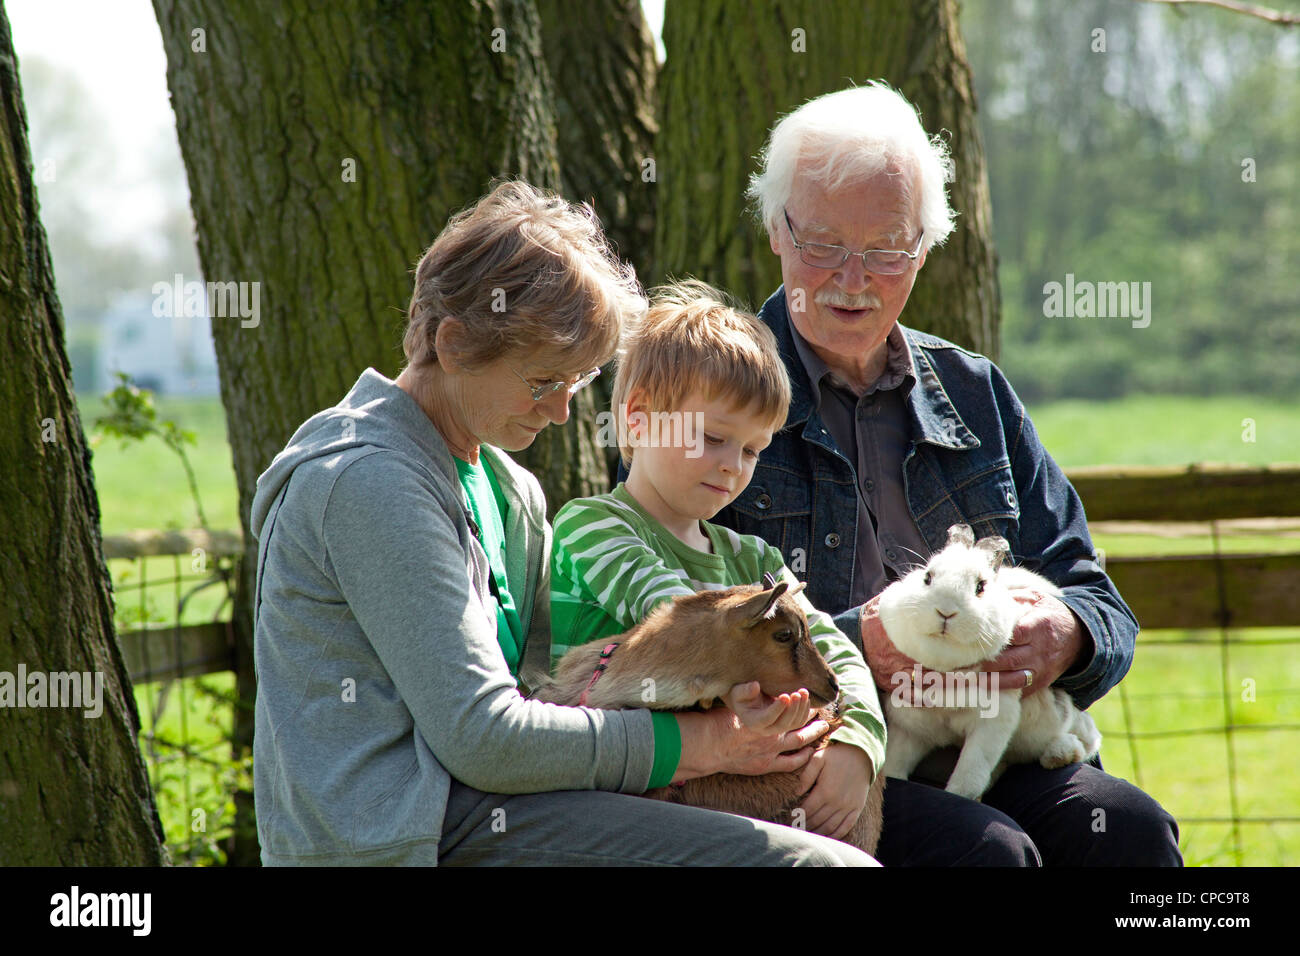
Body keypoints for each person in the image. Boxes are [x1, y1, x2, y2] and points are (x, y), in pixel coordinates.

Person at [249, 180, 875, 866]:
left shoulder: (508, 488)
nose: (561, 414)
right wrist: (705, 746)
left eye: (576, 386)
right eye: (544, 381)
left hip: (494, 806)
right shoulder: (369, 482)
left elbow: (542, 694)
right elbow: (484, 736)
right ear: (455, 344)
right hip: (403, 840)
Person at [708, 83, 1183, 865]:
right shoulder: (714, 391)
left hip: (994, 742)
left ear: (925, 249)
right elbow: (679, 613)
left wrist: (1062, 636)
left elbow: (1099, 599)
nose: (852, 278)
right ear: (774, 230)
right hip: (821, 762)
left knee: (1129, 834)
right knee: (986, 853)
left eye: (887, 248)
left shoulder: (975, 393)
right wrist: (855, 641)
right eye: (822, 243)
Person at [551, 280, 886, 845]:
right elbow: (668, 612)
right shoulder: (592, 525)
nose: (733, 467)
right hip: (620, 789)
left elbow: (832, 649)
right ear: (637, 419)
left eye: (753, 450)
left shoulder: (754, 559)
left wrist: (859, 744)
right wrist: (743, 704)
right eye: (711, 437)